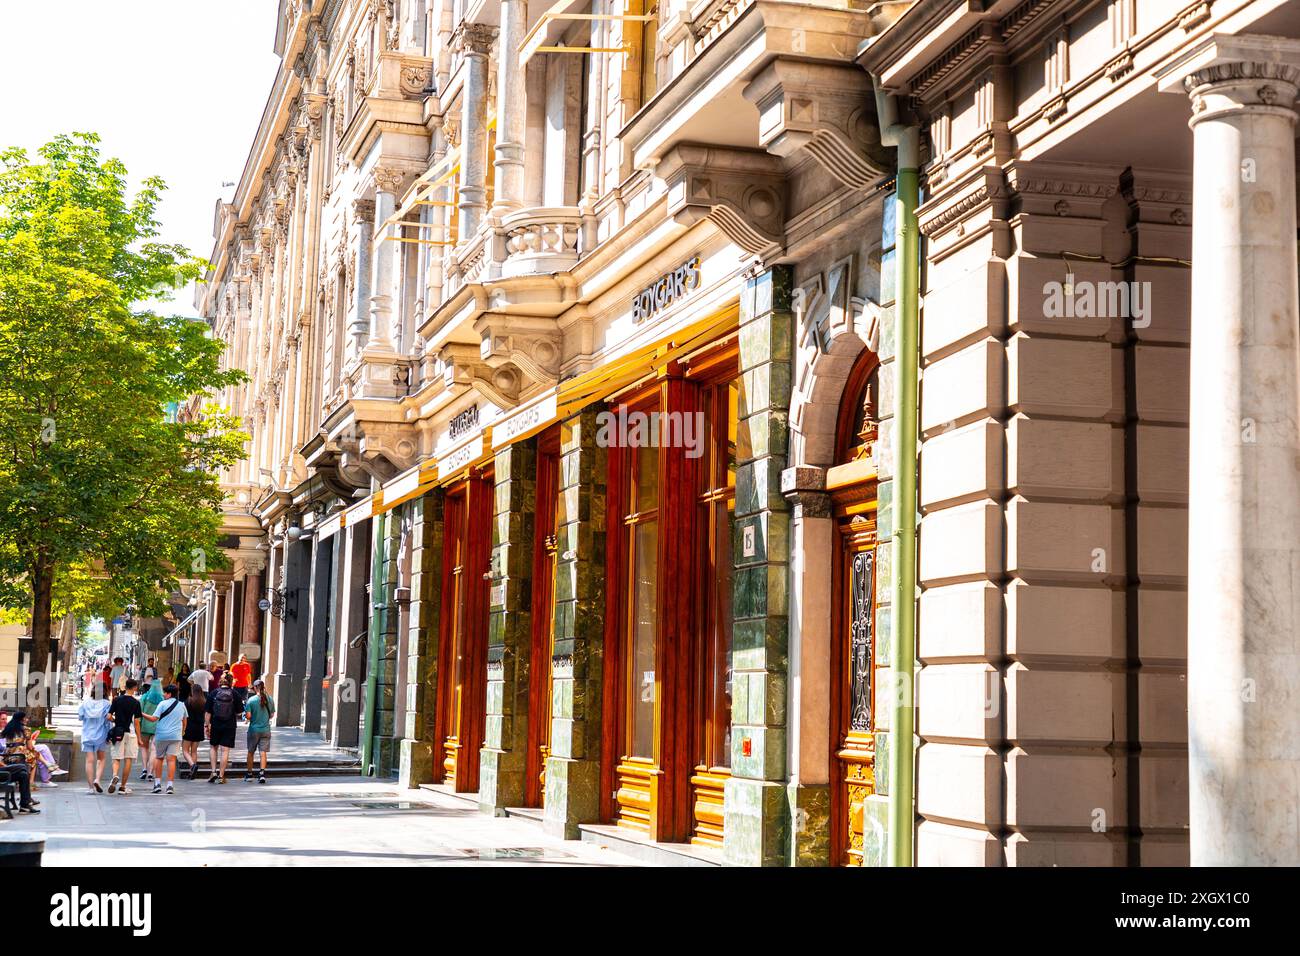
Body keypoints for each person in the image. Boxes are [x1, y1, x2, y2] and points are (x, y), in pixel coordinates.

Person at [140, 684, 186, 794]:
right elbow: (184, 721)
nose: (164, 694)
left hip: (161, 735)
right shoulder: (182, 705)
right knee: (171, 760)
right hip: (175, 736)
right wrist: (182, 732)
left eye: (165, 693)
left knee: (159, 758)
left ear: (169, 694)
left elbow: (153, 719)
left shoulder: (162, 704)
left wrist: (141, 713)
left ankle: (157, 784)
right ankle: (170, 785)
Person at [107, 679, 143, 795]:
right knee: (128, 759)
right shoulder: (136, 703)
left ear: (125, 687)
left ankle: (115, 776)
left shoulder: (116, 700)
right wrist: (139, 738)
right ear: (135, 688)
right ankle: (122, 787)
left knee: (116, 758)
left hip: (118, 732)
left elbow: (108, 716)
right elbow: (137, 722)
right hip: (131, 733)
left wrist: (115, 721)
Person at [0, 712, 40, 814]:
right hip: (13, 761)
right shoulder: (25, 729)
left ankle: (24, 806)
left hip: (7, 759)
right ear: (22, 719)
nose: (27, 720)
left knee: (23, 774)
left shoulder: (7, 729)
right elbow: (30, 747)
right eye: (26, 718)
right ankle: (27, 801)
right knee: (24, 766)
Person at [77, 684, 112, 793]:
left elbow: (80, 717)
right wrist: (109, 735)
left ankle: (90, 788)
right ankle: (97, 779)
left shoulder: (85, 703)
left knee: (89, 761)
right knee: (101, 759)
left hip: (87, 734)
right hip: (101, 734)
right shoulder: (106, 704)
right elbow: (108, 720)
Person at [205, 673, 239, 784]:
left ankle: (213, 772)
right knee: (225, 750)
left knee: (213, 747)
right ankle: (221, 776)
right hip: (229, 725)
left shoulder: (213, 693)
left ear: (220, 681)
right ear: (231, 681)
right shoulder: (234, 693)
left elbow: (208, 712)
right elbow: (240, 711)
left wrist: (206, 726)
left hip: (215, 724)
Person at [242, 680, 275, 784]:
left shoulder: (251, 700)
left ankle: (249, 774)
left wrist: (248, 717)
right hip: (266, 730)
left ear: (255, 688)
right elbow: (272, 715)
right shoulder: (270, 699)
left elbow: (248, 716)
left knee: (251, 752)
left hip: (254, 730)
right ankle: (262, 774)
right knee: (263, 752)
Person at [137, 680, 162, 783]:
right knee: (154, 749)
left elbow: (139, 712)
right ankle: (151, 772)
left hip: (145, 726)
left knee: (144, 748)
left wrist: (138, 725)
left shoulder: (144, 697)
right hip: (157, 727)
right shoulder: (162, 699)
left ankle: (144, 769)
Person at [182, 684, 207, 780]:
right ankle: (192, 772)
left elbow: (183, 715)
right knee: (194, 751)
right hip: (199, 728)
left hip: (189, 727)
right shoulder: (204, 701)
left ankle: (192, 765)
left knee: (185, 750)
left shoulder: (188, 701)